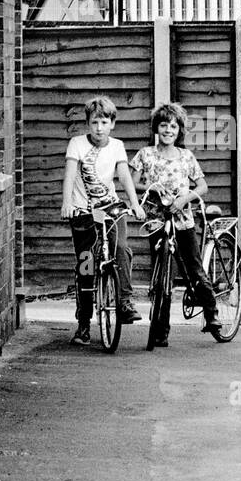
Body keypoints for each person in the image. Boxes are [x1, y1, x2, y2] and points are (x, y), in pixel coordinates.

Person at [130, 102, 224, 345]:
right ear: (156, 128)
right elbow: (132, 183)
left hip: (182, 219)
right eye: (163, 125)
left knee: (192, 266)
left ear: (179, 130)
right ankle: (160, 330)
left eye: (173, 126)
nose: (168, 130)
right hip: (157, 220)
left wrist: (185, 198)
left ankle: (211, 313)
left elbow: (202, 185)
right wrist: (152, 188)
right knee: (163, 272)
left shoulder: (186, 156)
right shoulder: (145, 154)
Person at [61, 96, 145, 345]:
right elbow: (69, 175)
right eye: (94, 122)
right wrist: (67, 203)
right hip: (83, 212)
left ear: (112, 123)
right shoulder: (76, 143)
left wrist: (134, 203)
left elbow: (124, 176)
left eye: (104, 122)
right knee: (86, 265)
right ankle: (84, 324)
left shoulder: (117, 146)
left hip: (109, 208)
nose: (99, 127)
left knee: (120, 249)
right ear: (88, 123)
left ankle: (125, 302)